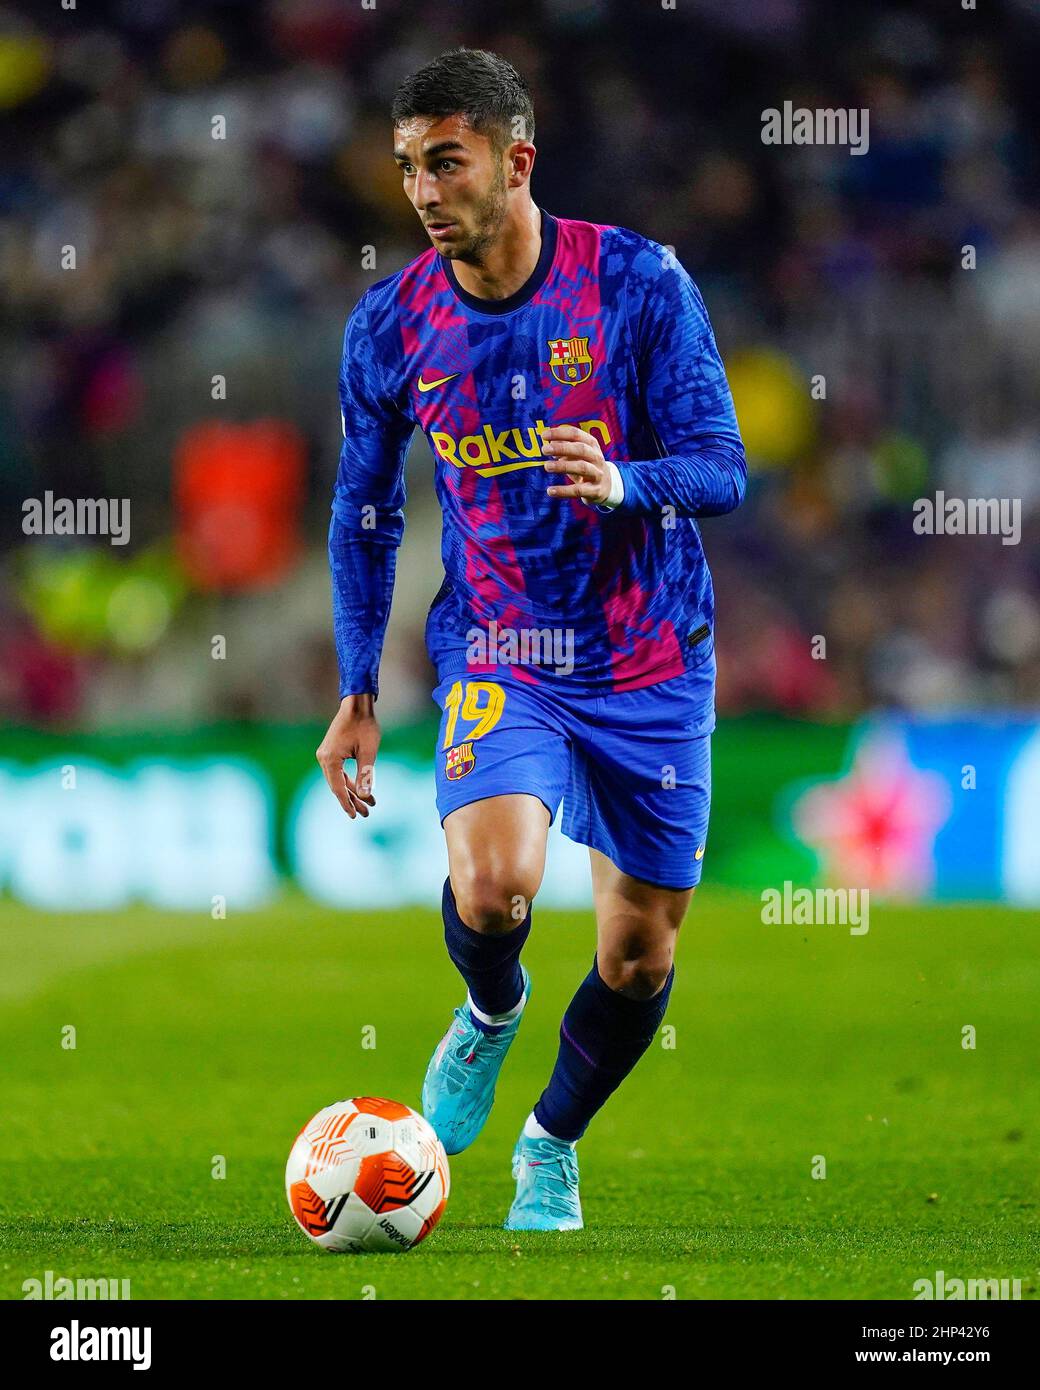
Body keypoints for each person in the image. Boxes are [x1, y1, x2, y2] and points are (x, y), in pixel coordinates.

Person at [317, 47, 746, 1230]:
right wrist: (356, 683)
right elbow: (362, 510)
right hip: (500, 645)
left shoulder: (636, 282)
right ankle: (491, 1010)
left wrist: (622, 479)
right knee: (495, 886)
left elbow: (723, 466)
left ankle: (549, 1139)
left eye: (443, 162)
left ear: (516, 160)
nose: (419, 189)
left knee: (636, 959)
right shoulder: (391, 324)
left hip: (651, 653)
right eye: (405, 165)